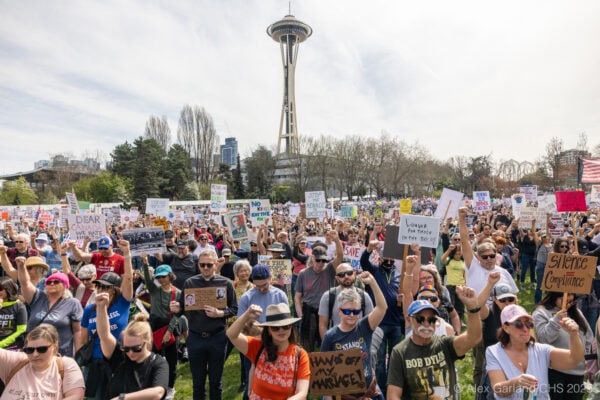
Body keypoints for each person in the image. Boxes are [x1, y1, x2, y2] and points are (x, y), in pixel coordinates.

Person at [386, 285, 482, 400]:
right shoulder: (400, 352)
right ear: (408, 320)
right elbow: (393, 395)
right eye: (420, 319)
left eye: (431, 320)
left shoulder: (445, 344)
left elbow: (473, 338)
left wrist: (473, 308)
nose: (426, 324)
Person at [486, 304, 584, 400]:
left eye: (529, 324)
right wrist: (517, 382)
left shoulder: (542, 350)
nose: (525, 329)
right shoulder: (494, 352)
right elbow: (499, 390)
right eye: (518, 324)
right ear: (506, 328)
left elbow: (574, 360)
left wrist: (574, 334)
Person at [177, 248, 238, 400]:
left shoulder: (226, 283)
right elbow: (181, 308)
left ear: (216, 264)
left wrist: (221, 313)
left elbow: (234, 308)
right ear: (198, 265)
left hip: (217, 337)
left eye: (209, 265)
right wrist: (176, 308)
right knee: (198, 382)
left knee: (215, 381)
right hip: (196, 337)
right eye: (202, 265)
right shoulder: (190, 282)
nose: (205, 268)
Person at [79, 239, 134, 400]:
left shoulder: (122, 303)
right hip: (94, 363)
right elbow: (83, 339)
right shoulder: (90, 309)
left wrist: (127, 255)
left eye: (106, 287)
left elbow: (128, 279)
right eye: (99, 286)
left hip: (117, 361)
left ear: (115, 289)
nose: (101, 289)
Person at [320, 271, 387, 399]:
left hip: (368, 391)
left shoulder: (364, 326)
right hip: (344, 394)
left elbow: (382, 308)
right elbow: (324, 372)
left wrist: (373, 282)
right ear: (339, 311)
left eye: (356, 311)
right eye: (347, 311)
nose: (351, 315)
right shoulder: (330, 336)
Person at [226, 302, 310, 400]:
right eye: (275, 327)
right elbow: (231, 334)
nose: (281, 330)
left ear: (291, 327)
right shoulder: (258, 347)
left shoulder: (300, 355)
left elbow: (302, 393)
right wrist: (246, 315)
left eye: (286, 326)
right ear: (269, 330)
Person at [94, 292, 169, 400]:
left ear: (147, 342)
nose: (130, 353)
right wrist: (101, 308)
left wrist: (123, 398)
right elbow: (104, 335)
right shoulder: (120, 357)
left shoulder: (158, 363)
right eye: (126, 348)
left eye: (136, 348)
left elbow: (158, 392)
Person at [16, 258, 83, 357]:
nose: (52, 284)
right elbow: (25, 283)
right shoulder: (38, 297)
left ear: (65, 285)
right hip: (32, 352)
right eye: (49, 282)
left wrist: (78, 355)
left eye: (56, 282)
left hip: (59, 355)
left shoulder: (73, 303)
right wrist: (21, 266)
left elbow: (77, 331)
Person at [533, 292, 593, 400]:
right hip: (555, 372)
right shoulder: (541, 313)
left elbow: (588, 336)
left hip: (577, 372)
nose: (569, 304)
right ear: (554, 296)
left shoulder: (576, 312)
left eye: (571, 301)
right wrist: (556, 320)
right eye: (565, 300)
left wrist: (585, 356)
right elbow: (544, 339)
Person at [0, 324, 85, 400]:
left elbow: (76, 396)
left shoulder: (65, 365)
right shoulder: (17, 361)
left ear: (54, 346)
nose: (35, 354)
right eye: (29, 350)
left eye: (42, 349)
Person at [142, 263, 182, 400]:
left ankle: (170, 387)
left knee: (171, 361)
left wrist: (169, 331)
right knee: (152, 359)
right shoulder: (154, 290)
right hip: (154, 328)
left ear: (170, 276)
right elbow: (147, 279)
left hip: (170, 328)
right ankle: (153, 385)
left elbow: (178, 314)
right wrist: (145, 262)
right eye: (158, 277)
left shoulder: (178, 293)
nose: (161, 279)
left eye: (163, 276)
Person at [295, 239, 342, 352]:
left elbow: (340, 256)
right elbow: (297, 297)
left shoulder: (329, 269)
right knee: (307, 345)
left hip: (326, 311)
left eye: (323, 261)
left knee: (326, 342)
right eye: (318, 260)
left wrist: (336, 240)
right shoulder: (303, 274)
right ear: (312, 258)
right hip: (309, 310)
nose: (321, 263)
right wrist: (300, 315)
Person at [318, 263, 374, 339]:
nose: (346, 276)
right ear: (337, 278)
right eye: (341, 275)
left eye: (349, 273)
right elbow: (322, 325)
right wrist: (327, 347)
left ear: (354, 274)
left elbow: (371, 323)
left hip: (359, 344)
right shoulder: (327, 296)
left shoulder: (364, 296)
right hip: (336, 344)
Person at [0, 277, 27, 350]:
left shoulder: (19, 306)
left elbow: (21, 330)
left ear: (9, 289)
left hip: (13, 348)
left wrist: (2, 344)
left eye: (0, 289)